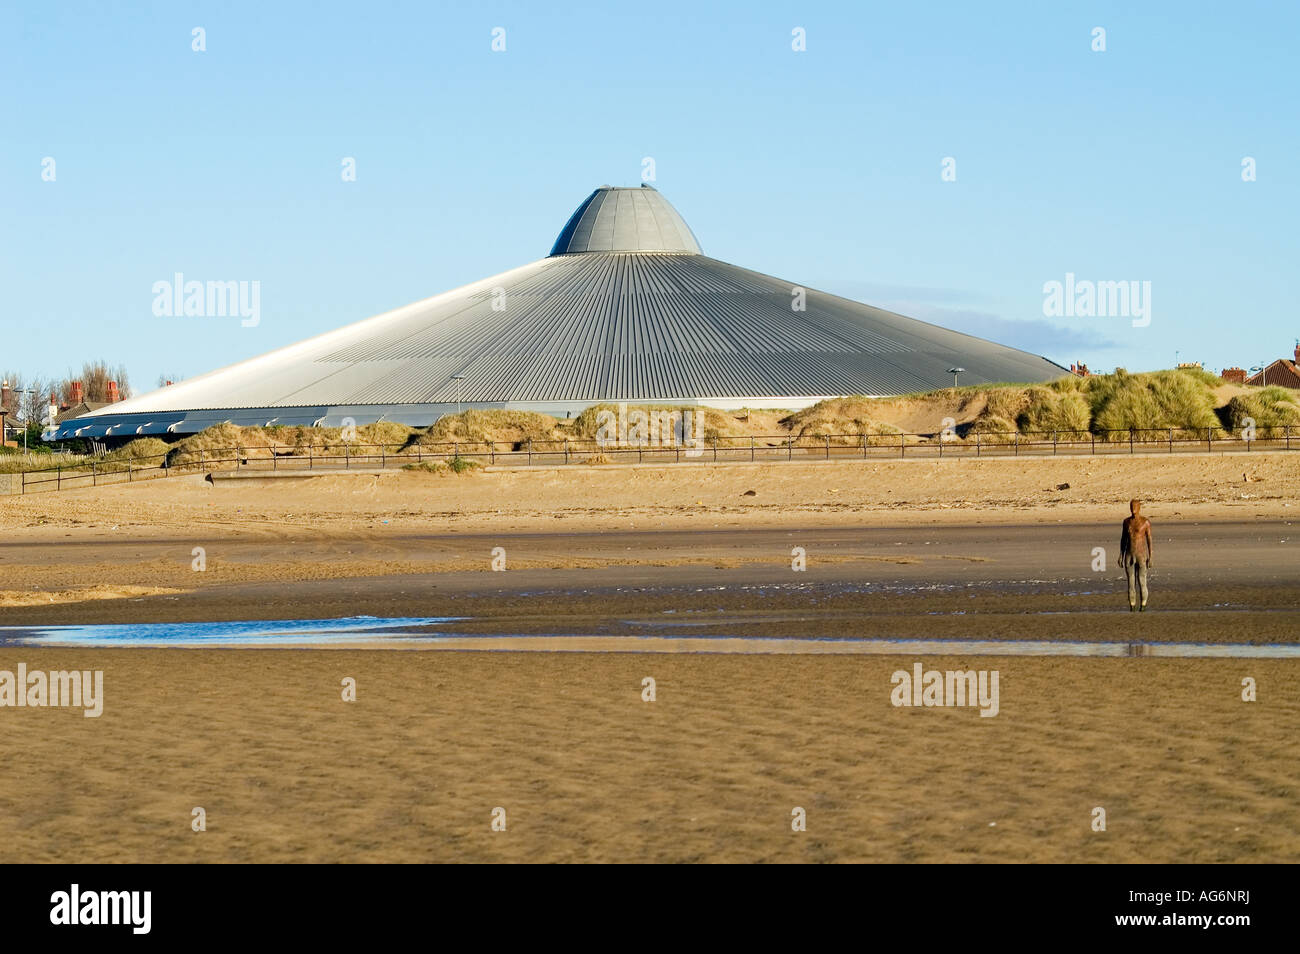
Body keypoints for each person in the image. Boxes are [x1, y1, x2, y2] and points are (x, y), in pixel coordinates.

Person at [1119, 499, 1153, 612]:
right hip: (1129, 554)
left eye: (1135, 506)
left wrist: (1151, 557)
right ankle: (1132, 606)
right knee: (1130, 583)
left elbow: (1149, 539)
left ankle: (1143, 606)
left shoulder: (1145, 522)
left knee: (1142, 581)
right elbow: (1123, 539)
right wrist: (1121, 555)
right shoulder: (1126, 522)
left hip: (1142, 555)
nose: (1133, 508)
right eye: (1131, 506)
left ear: (1139, 507)